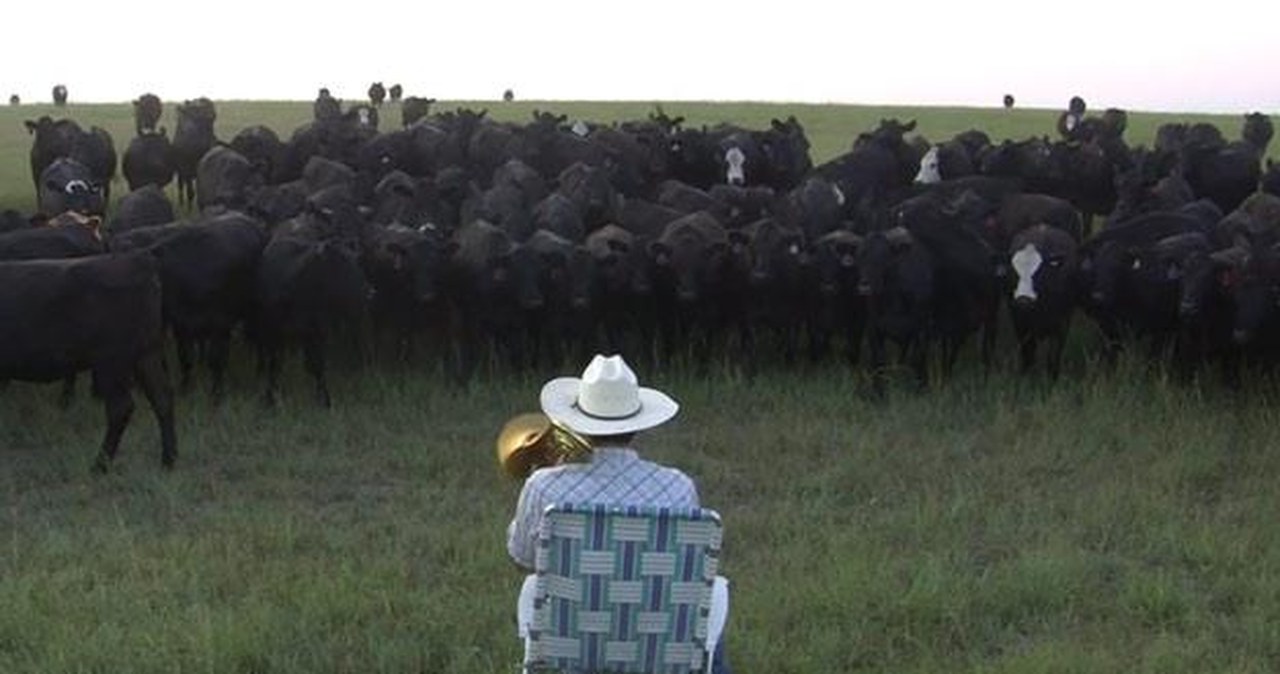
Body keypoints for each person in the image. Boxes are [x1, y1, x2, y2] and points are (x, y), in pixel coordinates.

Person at [508, 353, 731, 673]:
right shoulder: (677, 487)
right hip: (655, 647)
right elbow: (687, 578)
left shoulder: (543, 487)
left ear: (579, 423)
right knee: (713, 601)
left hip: (572, 648)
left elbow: (523, 560)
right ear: (637, 427)